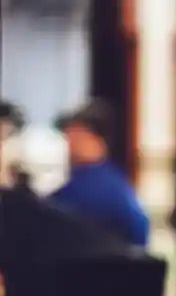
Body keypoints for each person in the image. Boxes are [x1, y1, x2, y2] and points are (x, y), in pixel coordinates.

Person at [48, 99, 149, 247]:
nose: (70, 144)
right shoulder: (116, 182)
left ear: (95, 138)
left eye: (76, 135)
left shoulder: (99, 187)